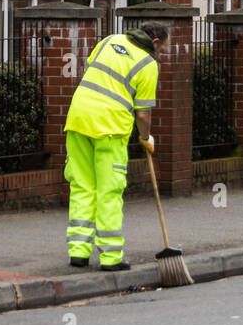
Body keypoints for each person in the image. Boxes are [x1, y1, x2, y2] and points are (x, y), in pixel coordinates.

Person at [63, 21, 167, 271]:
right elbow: (143, 114)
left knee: (81, 186)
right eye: (162, 48)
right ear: (155, 42)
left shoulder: (109, 41)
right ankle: (111, 258)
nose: (160, 53)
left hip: (78, 118)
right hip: (110, 127)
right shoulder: (148, 63)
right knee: (109, 191)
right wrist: (145, 138)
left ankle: (78, 252)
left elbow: (93, 72)